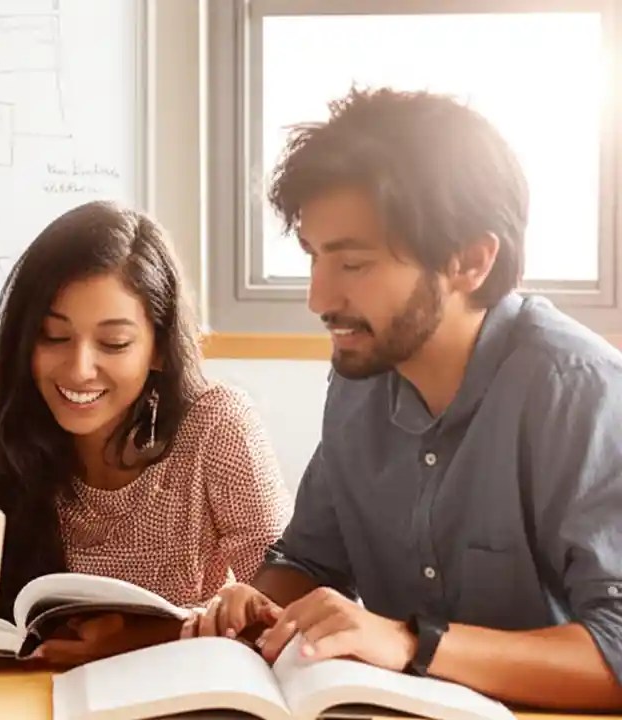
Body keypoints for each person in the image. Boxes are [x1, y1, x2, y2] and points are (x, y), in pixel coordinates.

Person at [189, 86, 622, 710]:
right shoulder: (358, 381)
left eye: (354, 264)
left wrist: (411, 642)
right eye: (313, 257)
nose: (318, 298)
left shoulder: (577, 391)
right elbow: (309, 560)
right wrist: (257, 606)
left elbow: (616, 647)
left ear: (470, 261)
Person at [0, 200, 290, 667]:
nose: (80, 369)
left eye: (114, 344)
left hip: (170, 693)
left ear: (159, 350)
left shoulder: (217, 424)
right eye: (53, 336)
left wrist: (150, 636)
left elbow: (278, 613)